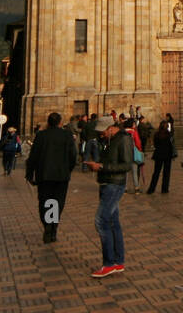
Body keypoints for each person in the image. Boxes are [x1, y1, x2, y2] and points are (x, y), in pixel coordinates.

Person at [81, 116, 131, 278]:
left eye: (102, 131)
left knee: (101, 220)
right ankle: (118, 262)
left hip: (114, 185)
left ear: (111, 128)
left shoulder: (123, 139)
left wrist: (101, 166)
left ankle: (109, 263)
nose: (100, 134)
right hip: (107, 183)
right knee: (113, 221)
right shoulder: (110, 140)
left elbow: (127, 165)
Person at [24, 112, 78, 243]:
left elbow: (33, 156)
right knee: (57, 203)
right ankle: (53, 227)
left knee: (45, 202)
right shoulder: (67, 135)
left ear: (48, 123)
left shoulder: (41, 136)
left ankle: (48, 226)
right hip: (61, 176)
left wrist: (30, 174)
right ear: (60, 122)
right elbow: (73, 156)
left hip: (45, 175)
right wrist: (68, 170)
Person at [147, 118, 175, 194]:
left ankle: (151, 189)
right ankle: (164, 189)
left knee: (156, 172)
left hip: (158, 154)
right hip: (167, 155)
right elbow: (171, 145)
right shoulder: (168, 134)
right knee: (166, 173)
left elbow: (155, 144)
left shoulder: (157, 134)